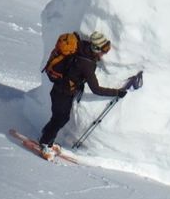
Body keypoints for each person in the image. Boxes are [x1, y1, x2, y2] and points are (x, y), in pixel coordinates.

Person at [38, 31, 126, 159]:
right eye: (104, 50)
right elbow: (96, 89)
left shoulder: (82, 48)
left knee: (58, 117)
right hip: (63, 93)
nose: (105, 53)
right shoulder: (87, 64)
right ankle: (45, 143)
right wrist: (117, 92)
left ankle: (46, 138)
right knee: (60, 119)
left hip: (61, 90)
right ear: (96, 49)